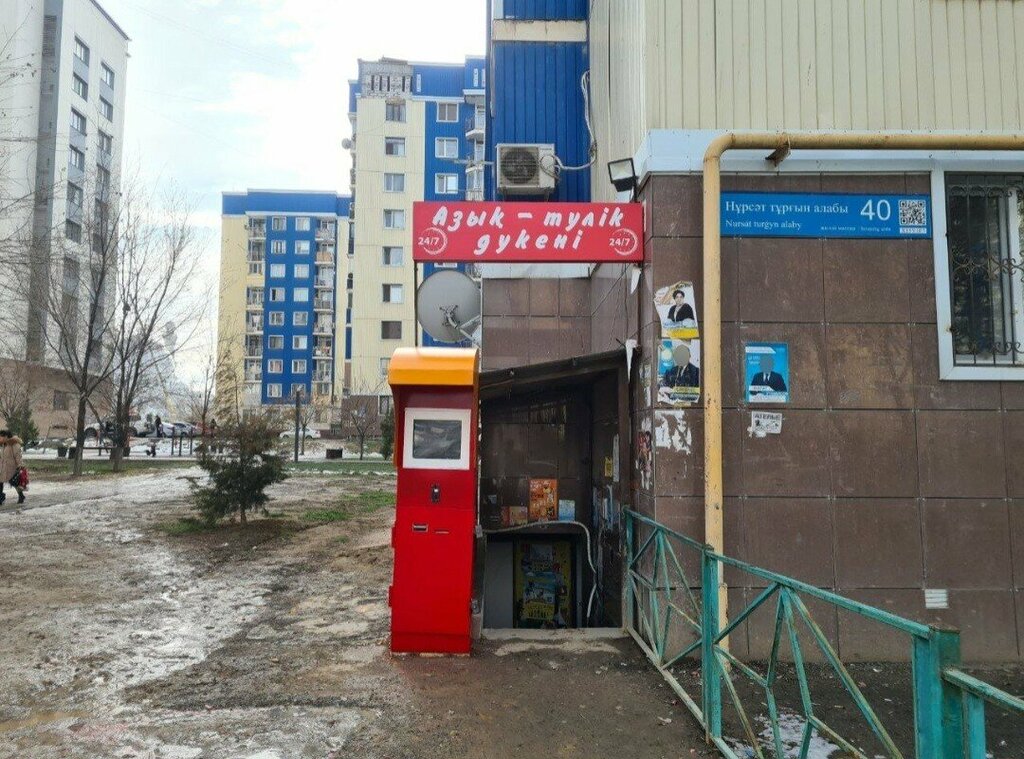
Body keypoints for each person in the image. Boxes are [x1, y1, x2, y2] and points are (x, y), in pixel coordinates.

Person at [0, 429, 25, 506]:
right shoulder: (4, 444)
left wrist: (20, 466)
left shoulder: (14, 444)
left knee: (14, 482)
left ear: (6, 437)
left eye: (1, 436)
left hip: (12, 468)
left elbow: (18, 456)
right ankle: (1, 498)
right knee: (0, 482)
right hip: (3, 467)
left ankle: (21, 496)